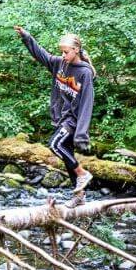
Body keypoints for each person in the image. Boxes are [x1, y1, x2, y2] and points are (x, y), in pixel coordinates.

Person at [14, 26, 95, 206]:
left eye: (66, 52)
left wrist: (82, 134)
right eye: (62, 52)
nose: (64, 55)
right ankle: (79, 196)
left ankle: (83, 174)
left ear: (76, 50)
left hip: (74, 120)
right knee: (67, 158)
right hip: (63, 117)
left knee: (55, 145)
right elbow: (41, 55)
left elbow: (87, 104)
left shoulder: (85, 72)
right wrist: (27, 37)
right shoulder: (60, 64)